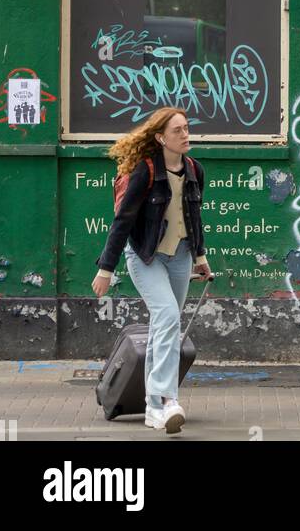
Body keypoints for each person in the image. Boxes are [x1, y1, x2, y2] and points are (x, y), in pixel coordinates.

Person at [92, 108, 211, 434]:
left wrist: (200, 256)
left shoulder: (194, 170)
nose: (185, 135)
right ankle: (165, 401)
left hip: (181, 256)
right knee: (169, 317)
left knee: (167, 327)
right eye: (178, 131)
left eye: (187, 129)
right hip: (146, 257)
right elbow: (122, 222)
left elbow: (193, 219)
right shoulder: (144, 172)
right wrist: (106, 268)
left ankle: (155, 406)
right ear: (160, 138)